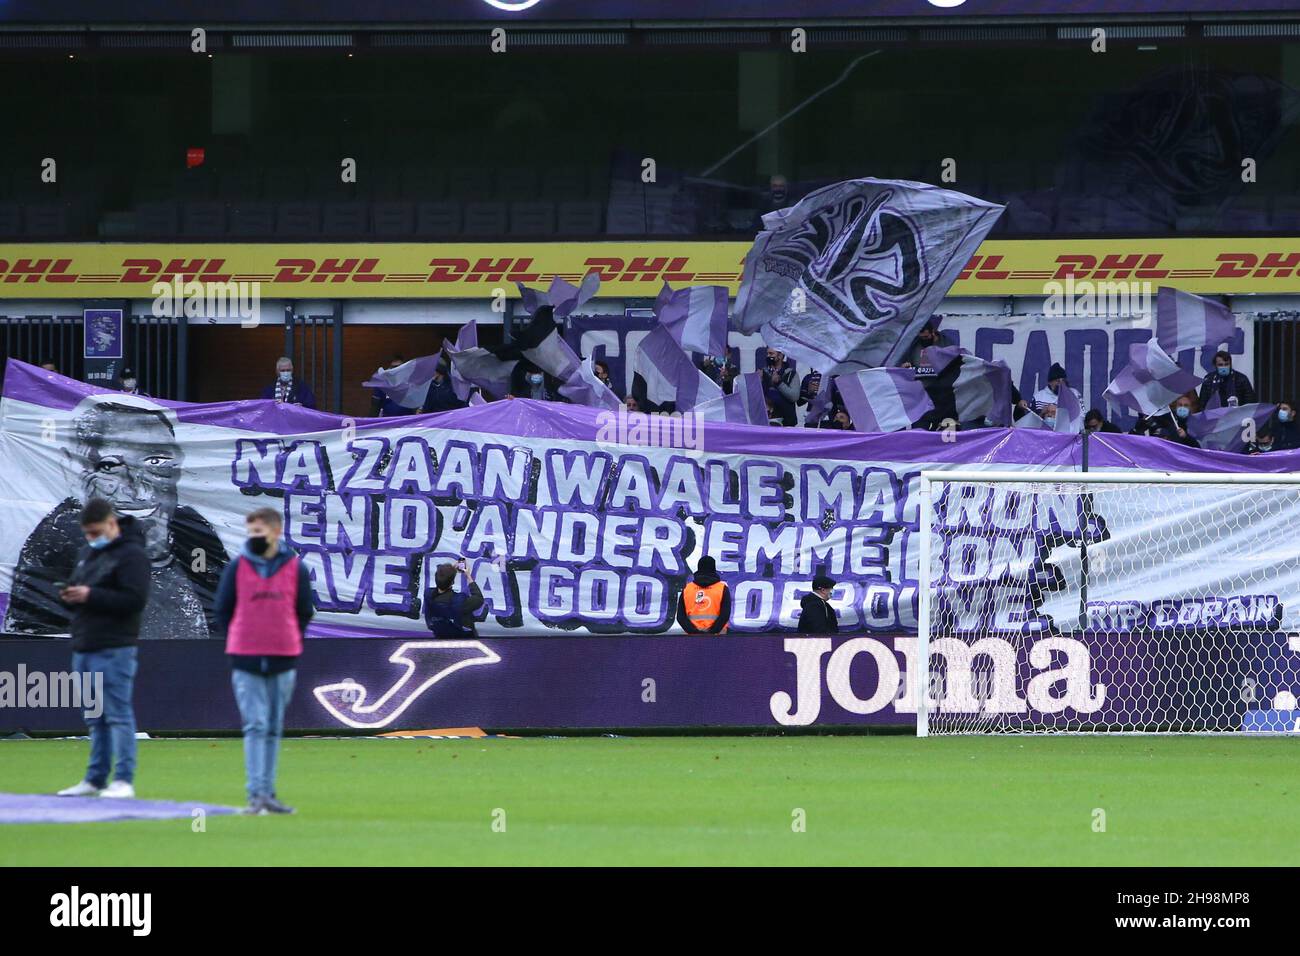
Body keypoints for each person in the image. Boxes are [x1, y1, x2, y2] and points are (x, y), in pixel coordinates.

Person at [6, 396, 228, 640]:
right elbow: (35, 643)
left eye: (156, 461)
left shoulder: (189, 526)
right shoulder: (59, 537)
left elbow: (224, 614)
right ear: (76, 470)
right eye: (110, 467)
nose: (137, 488)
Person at [213, 507, 314, 816]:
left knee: (272, 726)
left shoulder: (295, 569)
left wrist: (285, 635)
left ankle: (267, 793)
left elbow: (304, 610)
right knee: (256, 725)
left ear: (276, 531)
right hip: (246, 655)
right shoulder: (237, 567)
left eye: (260, 532)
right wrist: (245, 635)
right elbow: (223, 609)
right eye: (251, 533)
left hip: (283, 655)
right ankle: (256, 794)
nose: (255, 538)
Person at [55, 498, 151, 800]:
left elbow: (134, 601)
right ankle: (95, 779)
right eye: (87, 534)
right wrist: (69, 596)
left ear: (112, 523)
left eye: (96, 532)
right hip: (85, 643)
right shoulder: (87, 554)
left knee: (118, 714)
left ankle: (123, 779)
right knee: (94, 716)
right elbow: (80, 590)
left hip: (114, 646)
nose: (91, 539)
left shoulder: (132, 555)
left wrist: (90, 595)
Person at [424, 560, 484, 637]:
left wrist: (449, 571)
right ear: (452, 583)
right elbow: (479, 598)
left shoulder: (428, 594)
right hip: (463, 639)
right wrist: (468, 576)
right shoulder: (460, 601)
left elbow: (441, 581)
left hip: (440, 635)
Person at [675, 556, 731, 634]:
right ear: (714, 569)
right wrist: (712, 632)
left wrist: (694, 632)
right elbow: (725, 615)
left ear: (699, 568)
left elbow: (680, 617)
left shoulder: (687, 589)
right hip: (717, 636)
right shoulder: (722, 588)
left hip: (692, 637)